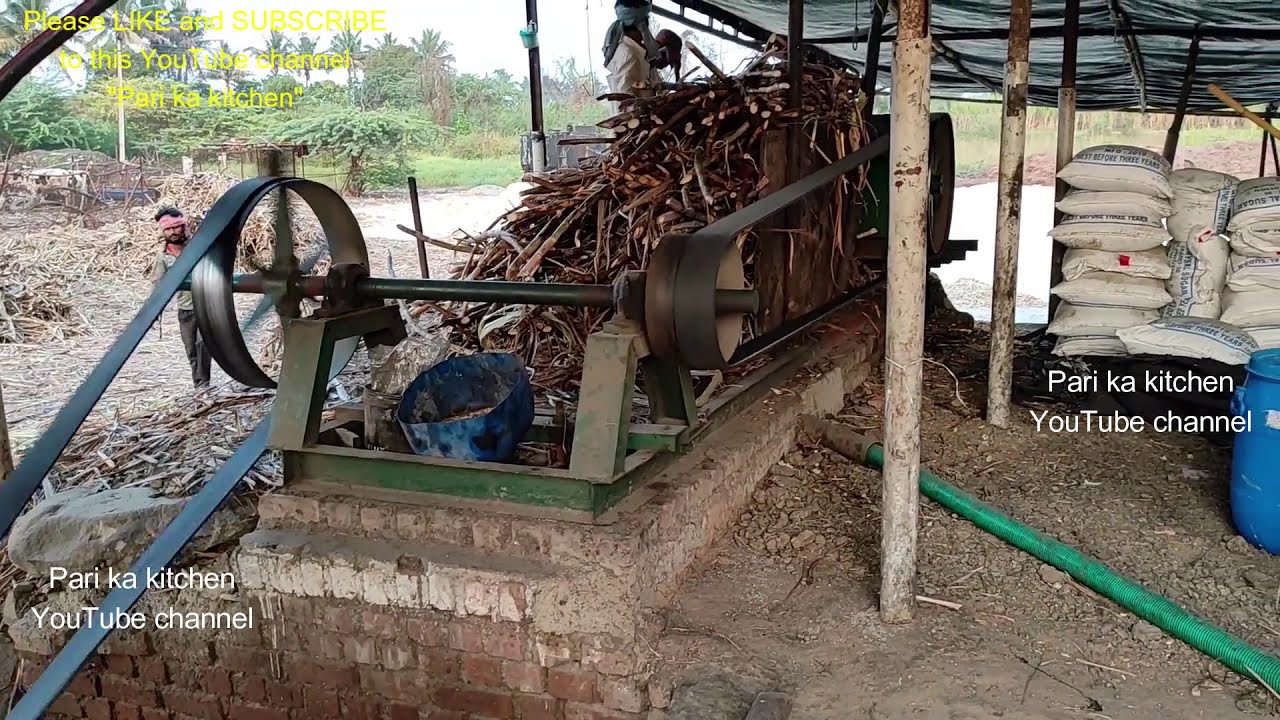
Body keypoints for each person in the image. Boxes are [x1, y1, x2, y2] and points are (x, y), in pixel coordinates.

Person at [151, 207, 211, 389]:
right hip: (186, 309)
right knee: (191, 349)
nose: (173, 232)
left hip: (207, 305)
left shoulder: (200, 246)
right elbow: (158, 284)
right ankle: (198, 384)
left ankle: (203, 384)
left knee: (204, 344)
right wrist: (154, 309)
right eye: (168, 229)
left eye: (177, 227)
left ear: (184, 226)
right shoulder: (163, 257)